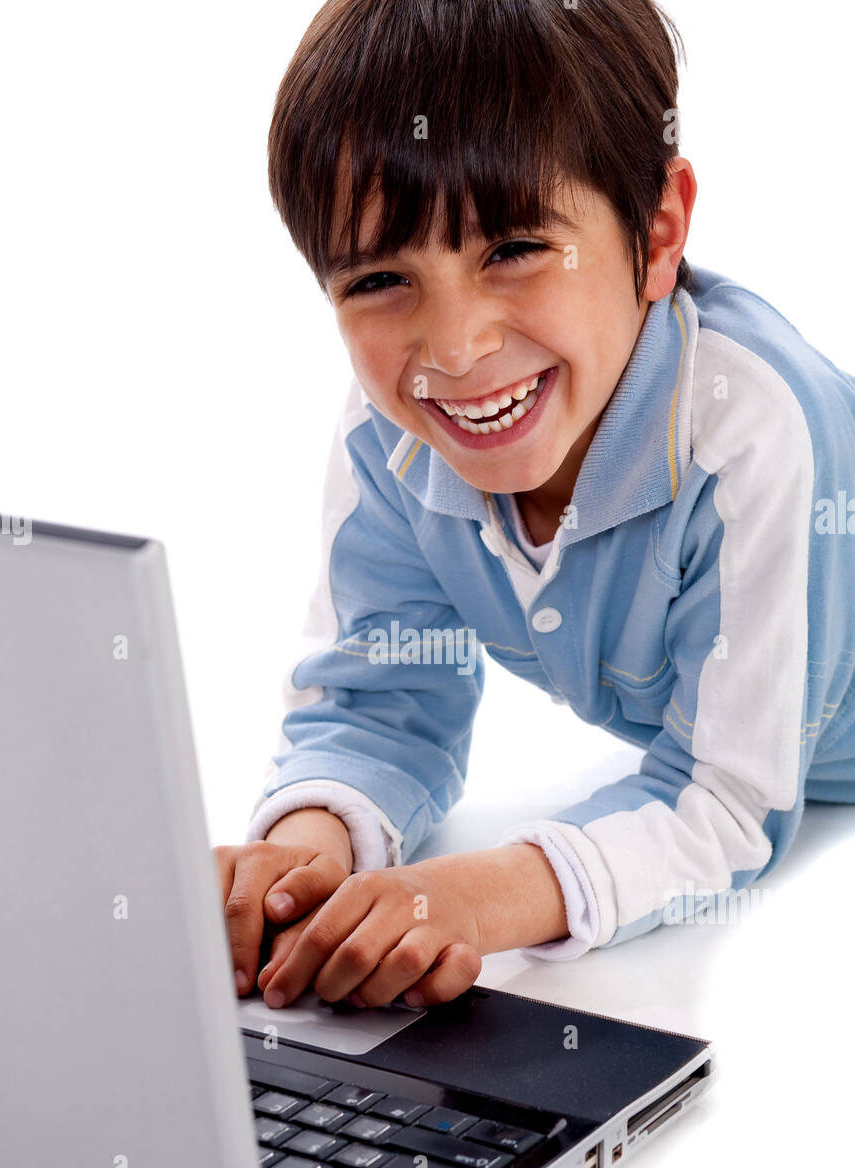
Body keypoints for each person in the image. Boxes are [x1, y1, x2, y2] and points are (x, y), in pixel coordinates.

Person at [215, 0, 855, 1012]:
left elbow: (726, 801)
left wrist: (470, 898)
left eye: (511, 250)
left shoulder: (749, 431)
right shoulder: (396, 429)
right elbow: (379, 702)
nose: (455, 350)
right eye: (382, 278)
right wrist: (302, 860)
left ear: (657, 233)